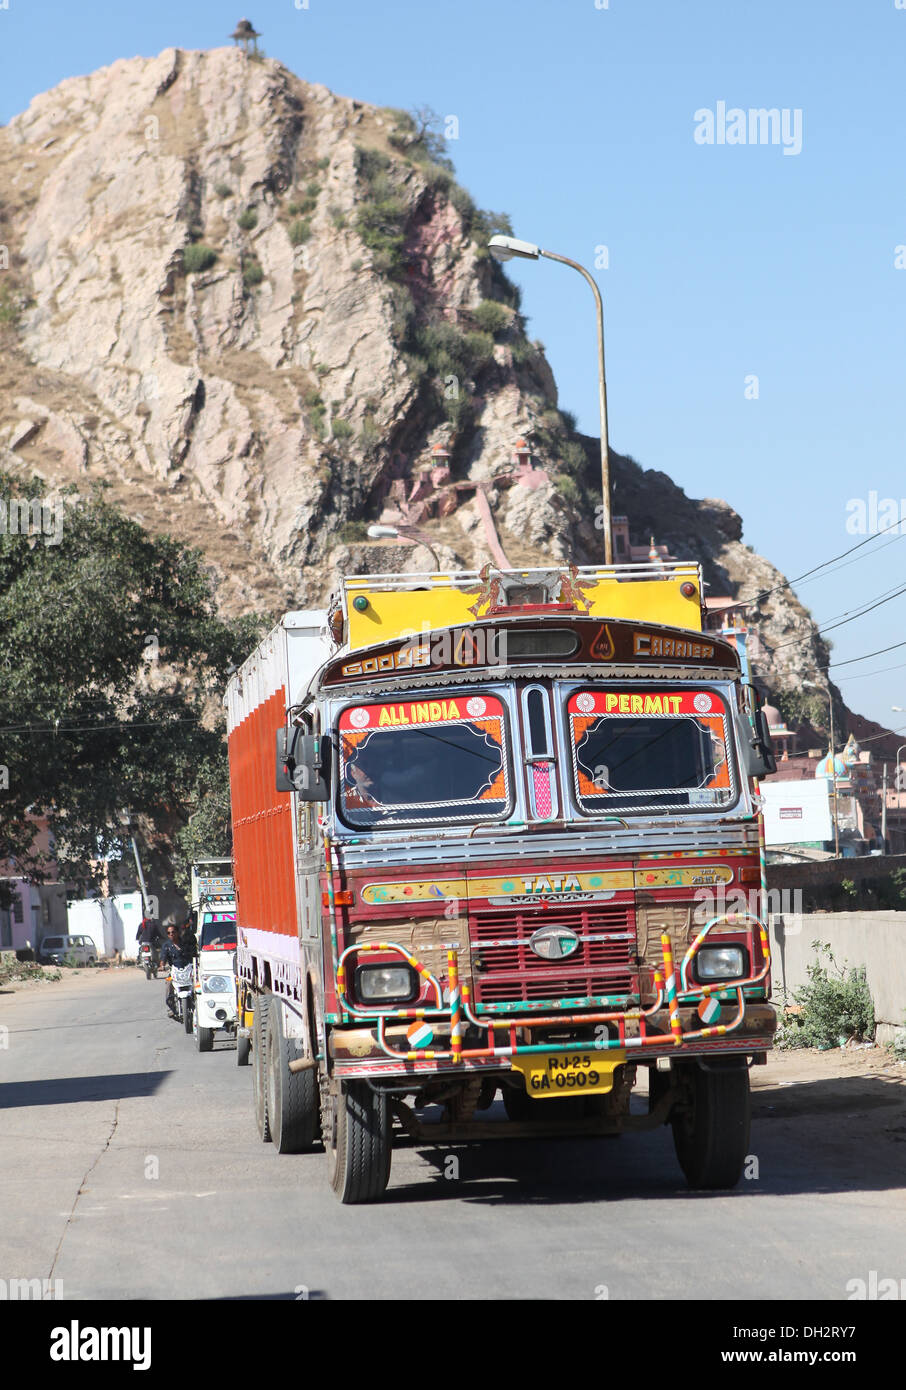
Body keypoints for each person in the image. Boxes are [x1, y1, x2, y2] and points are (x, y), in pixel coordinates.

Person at [160, 923, 196, 1018]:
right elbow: (163, 958)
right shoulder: (166, 946)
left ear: (178, 933)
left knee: (199, 983)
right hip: (175, 971)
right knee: (168, 984)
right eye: (169, 933)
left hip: (188, 970)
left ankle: (199, 1003)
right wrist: (162, 965)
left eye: (173, 932)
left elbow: (193, 953)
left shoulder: (185, 943)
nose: (171, 934)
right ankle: (171, 1008)